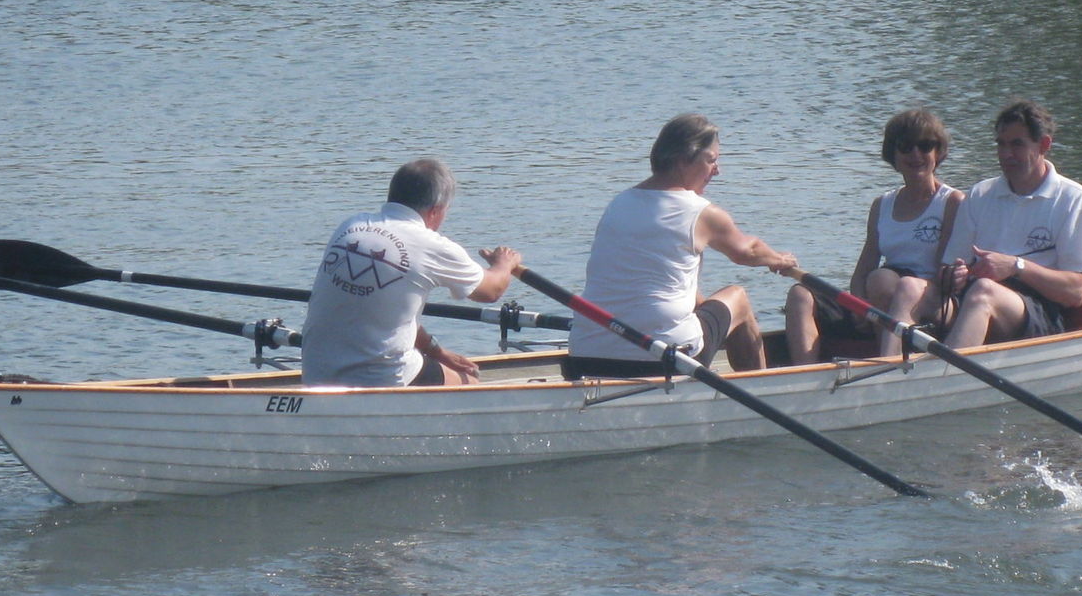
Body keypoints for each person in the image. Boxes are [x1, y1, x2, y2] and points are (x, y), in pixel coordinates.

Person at [563, 113, 798, 378]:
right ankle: (760, 390)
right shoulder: (701, 212)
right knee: (738, 298)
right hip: (666, 355)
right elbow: (748, 251)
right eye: (711, 160)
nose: (717, 170)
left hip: (586, 351)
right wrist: (779, 259)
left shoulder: (619, 203)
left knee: (693, 299)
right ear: (683, 160)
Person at [301, 157, 521, 387]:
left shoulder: (350, 226)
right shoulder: (431, 245)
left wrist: (436, 351)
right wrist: (504, 263)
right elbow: (490, 291)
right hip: (383, 378)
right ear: (436, 210)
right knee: (470, 382)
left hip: (316, 372)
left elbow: (385, 315)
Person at [783, 108, 964, 364]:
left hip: (932, 301)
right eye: (906, 146)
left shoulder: (952, 201)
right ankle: (804, 379)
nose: (916, 154)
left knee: (884, 280)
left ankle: (885, 365)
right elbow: (862, 269)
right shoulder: (882, 205)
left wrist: (887, 296)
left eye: (925, 146)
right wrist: (859, 306)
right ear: (894, 154)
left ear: (938, 152)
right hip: (881, 298)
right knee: (800, 293)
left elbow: (943, 271)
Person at [942, 100, 1082, 348]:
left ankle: (942, 378)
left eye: (1017, 144)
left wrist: (1016, 266)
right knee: (910, 288)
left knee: (984, 291)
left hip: (1039, 311)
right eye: (1001, 144)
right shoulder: (979, 194)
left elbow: (1076, 293)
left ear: (1044, 145)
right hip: (972, 298)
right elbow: (950, 267)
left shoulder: (1074, 199)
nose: (1006, 154)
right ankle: (888, 363)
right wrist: (954, 274)